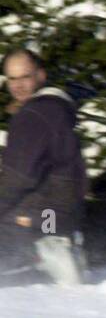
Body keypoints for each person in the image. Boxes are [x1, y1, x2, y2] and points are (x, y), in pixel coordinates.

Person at [0, 48, 87, 285]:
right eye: (12, 79)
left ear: (41, 76)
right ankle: (55, 244)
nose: (18, 85)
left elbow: (18, 178)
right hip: (57, 211)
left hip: (41, 211)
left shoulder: (32, 115)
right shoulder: (56, 110)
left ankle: (50, 252)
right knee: (47, 225)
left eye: (25, 77)